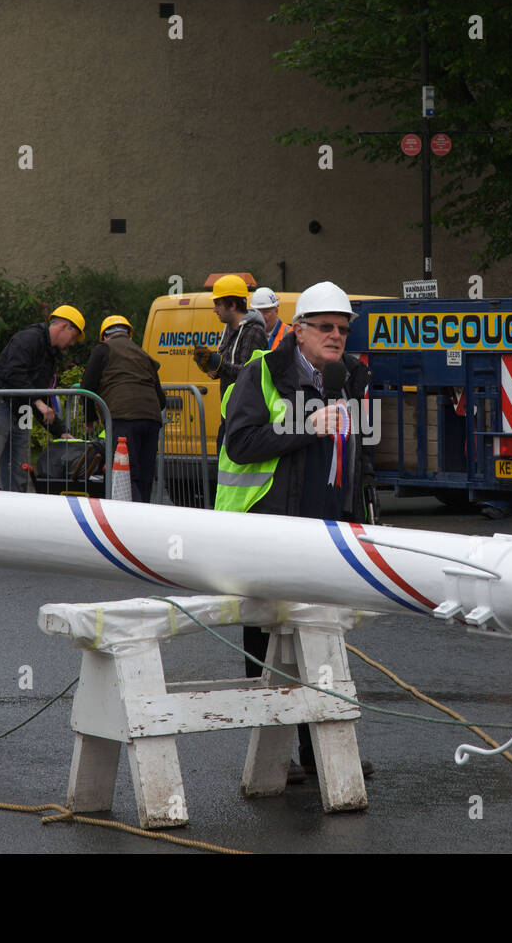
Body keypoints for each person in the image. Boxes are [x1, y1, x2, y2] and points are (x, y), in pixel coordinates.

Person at [217, 280, 374, 782]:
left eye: (343, 329)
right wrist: (308, 427)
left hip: (324, 532)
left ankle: (318, 755)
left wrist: (357, 516)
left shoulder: (346, 377)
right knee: (266, 643)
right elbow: (240, 443)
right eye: (325, 327)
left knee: (322, 640)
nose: (336, 336)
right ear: (300, 329)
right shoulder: (262, 371)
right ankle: (272, 757)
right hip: (266, 530)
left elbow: (354, 456)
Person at [0, 304, 84, 491]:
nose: (73, 343)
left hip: (22, 409)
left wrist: (61, 432)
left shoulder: (50, 355)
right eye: (74, 336)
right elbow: (13, 373)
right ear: (65, 327)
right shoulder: (29, 338)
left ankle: (14, 513)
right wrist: (37, 402)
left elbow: (39, 398)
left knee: (19, 469)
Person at [79, 314, 167, 503]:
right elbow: (161, 399)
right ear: (130, 335)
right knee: (144, 476)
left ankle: (129, 523)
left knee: (127, 474)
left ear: (105, 336)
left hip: (123, 418)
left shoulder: (103, 349)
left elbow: (86, 387)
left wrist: (89, 418)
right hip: (151, 420)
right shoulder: (143, 354)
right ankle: (143, 517)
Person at [192, 274, 267, 403]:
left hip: (248, 412)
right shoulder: (229, 329)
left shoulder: (253, 332)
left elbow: (248, 373)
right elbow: (229, 369)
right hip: (231, 411)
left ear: (232, 305)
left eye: (217, 304)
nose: (215, 310)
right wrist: (212, 367)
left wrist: (218, 364)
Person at [251, 286, 291, 350]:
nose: (262, 317)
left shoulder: (289, 334)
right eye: (258, 312)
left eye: (266, 312)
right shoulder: (248, 333)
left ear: (276, 311)